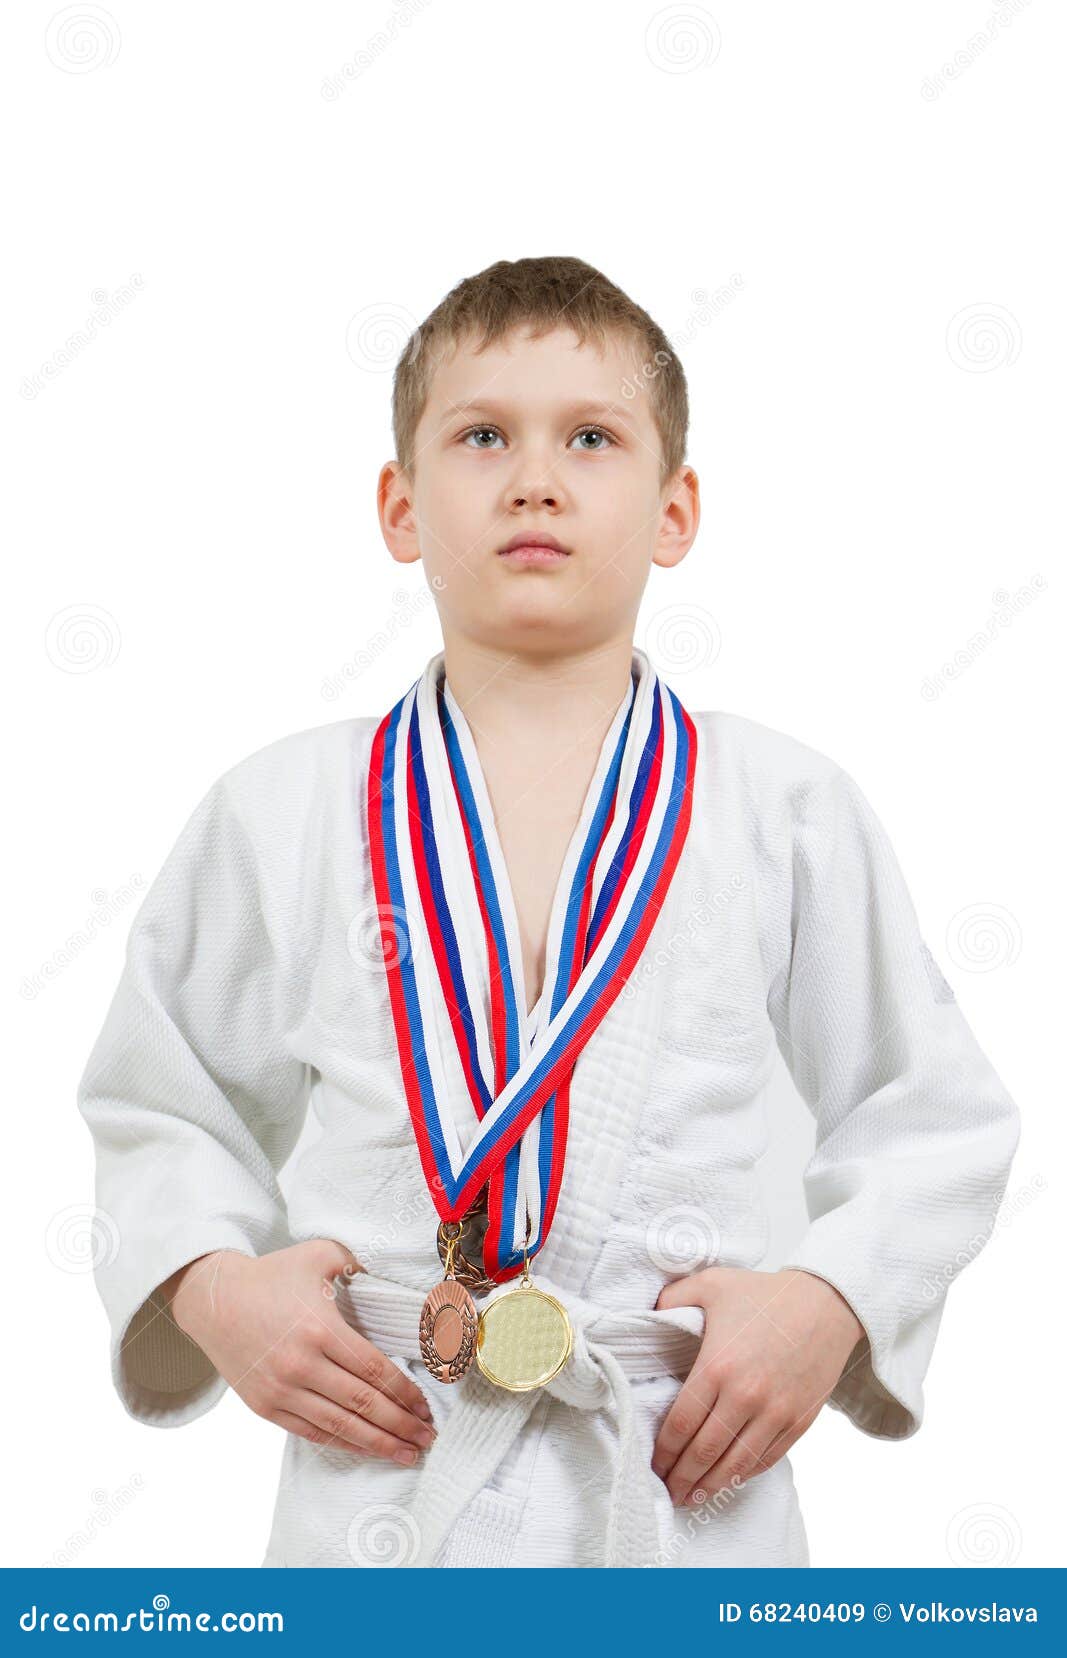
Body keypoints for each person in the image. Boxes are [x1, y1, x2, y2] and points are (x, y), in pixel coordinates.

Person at [76, 255, 1021, 1569]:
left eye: (591, 436)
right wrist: (217, 1287)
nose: (535, 477)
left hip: (682, 1476)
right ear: (400, 507)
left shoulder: (784, 805)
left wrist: (829, 1300)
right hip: (389, 1476)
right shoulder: (278, 808)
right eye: (481, 436)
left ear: (674, 509)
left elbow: (936, 1113)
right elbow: (158, 1100)